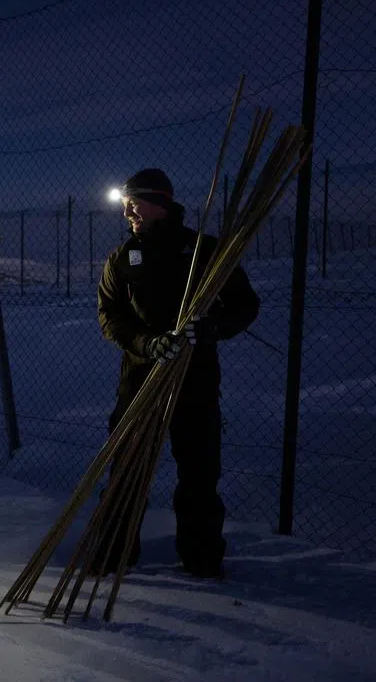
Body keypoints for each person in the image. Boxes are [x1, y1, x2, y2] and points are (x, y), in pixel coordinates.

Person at [95, 167, 259, 577]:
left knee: (199, 474)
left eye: (135, 201)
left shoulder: (204, 250)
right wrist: (147, 344)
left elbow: (244, 305)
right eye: (125, 202)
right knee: (128, 467)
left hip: (194, 383)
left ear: (160, 202)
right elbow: (110, 317)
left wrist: (211, 329)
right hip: (139, 383)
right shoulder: (121, 259)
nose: (127, 210)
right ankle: (115, 551)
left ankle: (201, 556)